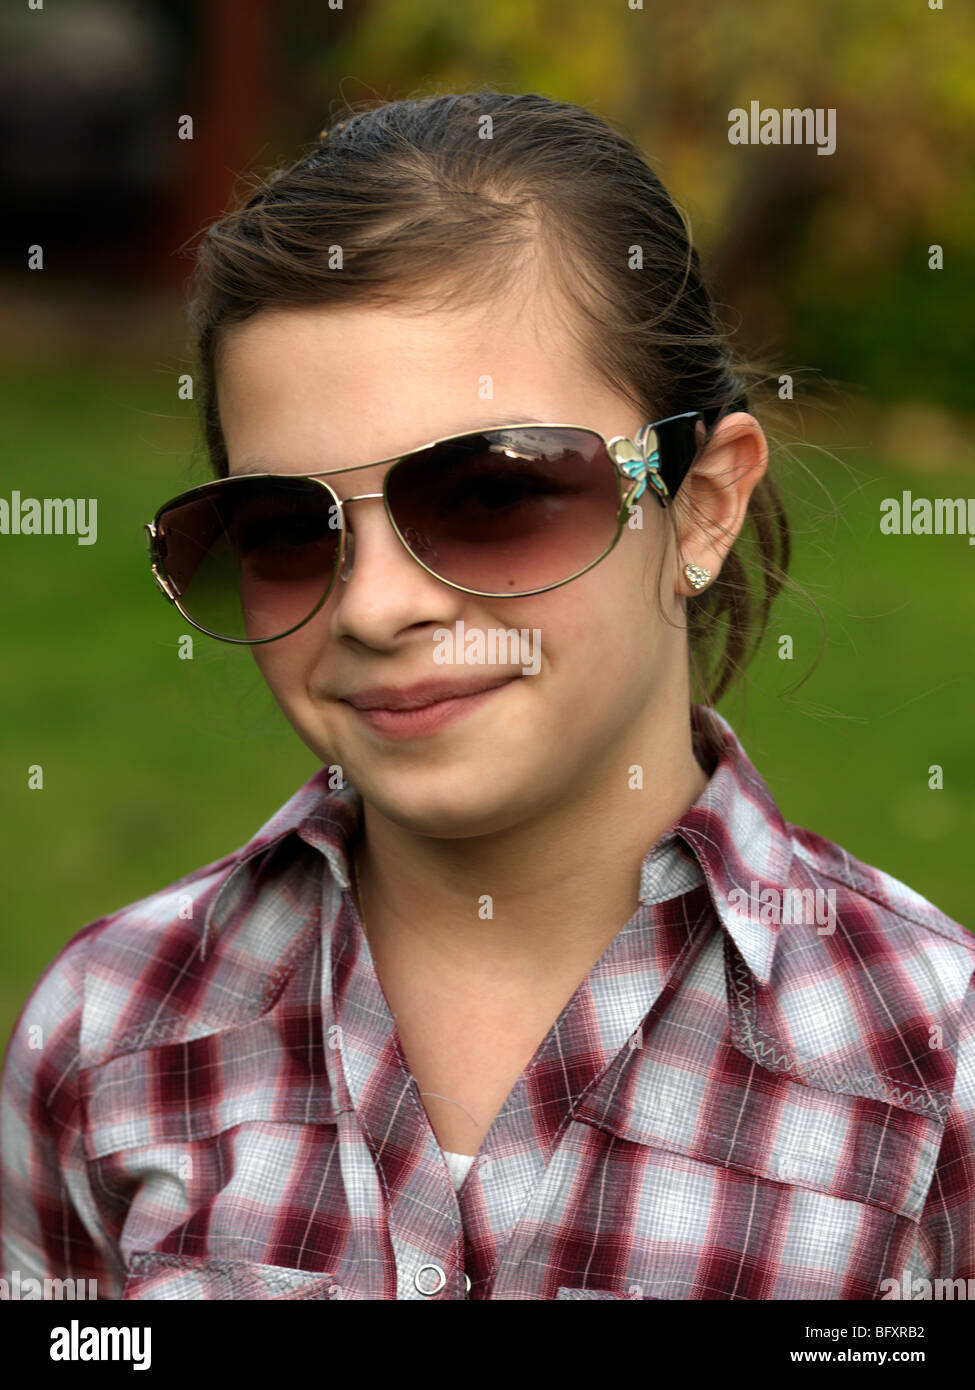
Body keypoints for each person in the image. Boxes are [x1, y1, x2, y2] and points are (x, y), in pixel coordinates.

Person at [2, 91, 972, 1302]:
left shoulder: (935, 1064)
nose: (373, 608)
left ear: (704, 504)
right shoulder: (109, 1035)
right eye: (283, 527)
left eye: (493, 494)